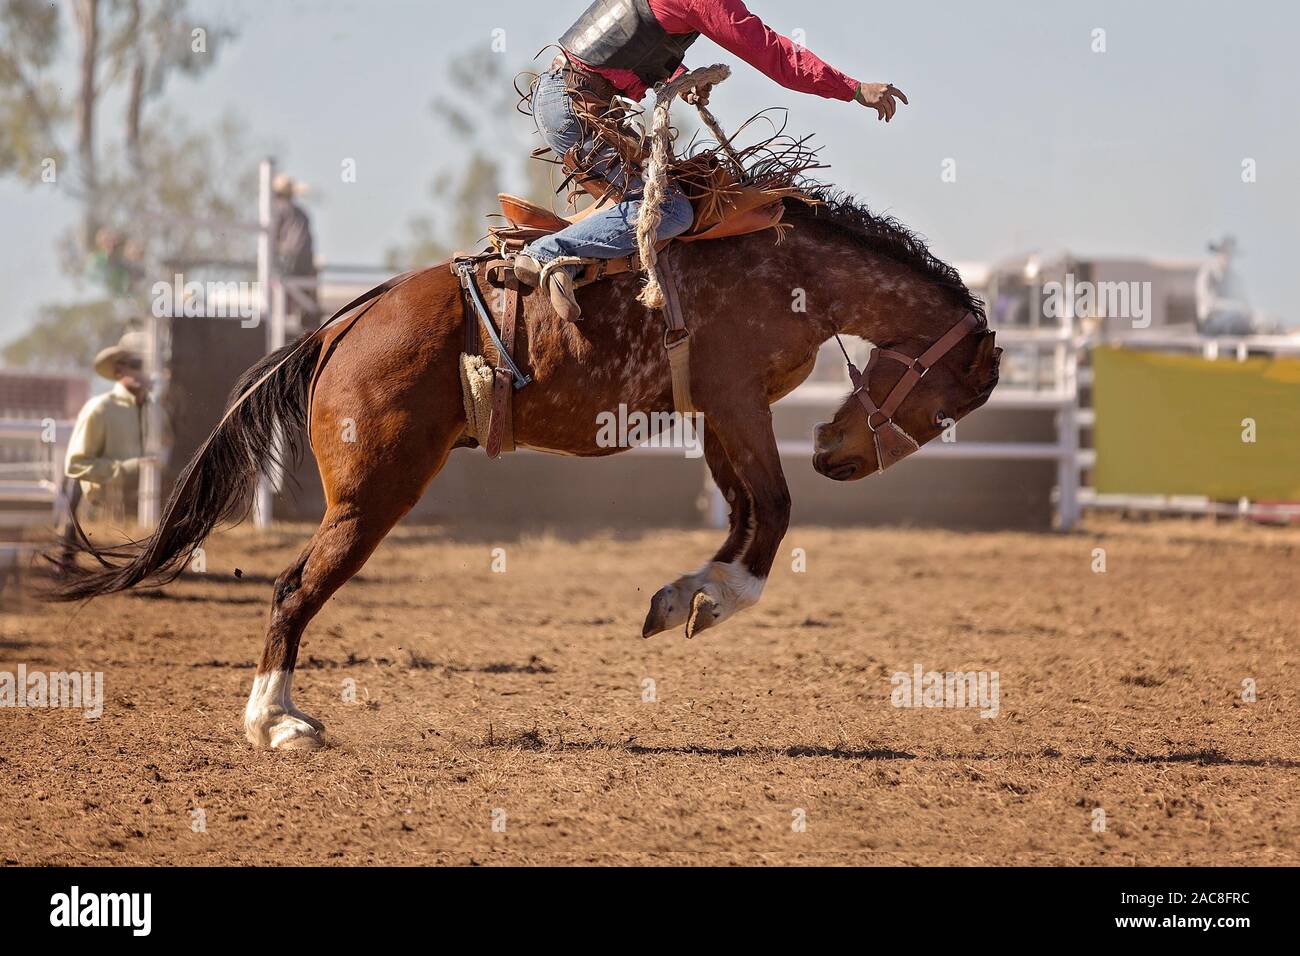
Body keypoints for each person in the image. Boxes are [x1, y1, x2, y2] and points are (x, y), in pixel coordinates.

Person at [514, 0, 907, 321]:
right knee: (671, 210)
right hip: (575, 106)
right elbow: (776, 56)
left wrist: (680, 75)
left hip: (571, 97)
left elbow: (630, 41)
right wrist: (854, 89)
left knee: (672, 198)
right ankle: (549, 254)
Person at [57, 332, 158, 565]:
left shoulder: (153, 410)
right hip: (100, 505)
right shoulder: (99, 409)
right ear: (119, 371)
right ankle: (68, 551)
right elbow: (76, 465)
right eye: (137, 365)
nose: (143, 371)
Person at [1195, 235, 1274, 336]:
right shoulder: (1207, 274)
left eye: (1230, 255)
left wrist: (1251, 313)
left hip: (1230, 320)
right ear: (1219, 253)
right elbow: (1210, 304)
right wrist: (1235, 307)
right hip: (1209, 322)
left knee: (1260, 320)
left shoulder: (1234, 277)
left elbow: (1243, 302)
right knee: (1238, 322)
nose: (1227, 258)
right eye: (1225, 254)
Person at [272, 173, 321, 330]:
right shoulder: (301, 213)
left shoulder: (278, 211)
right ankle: (307, 324)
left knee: (284, 289)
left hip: (290, 258)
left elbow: (274, 237)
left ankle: (286, 322)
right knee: (305, 294)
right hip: (305, 259)